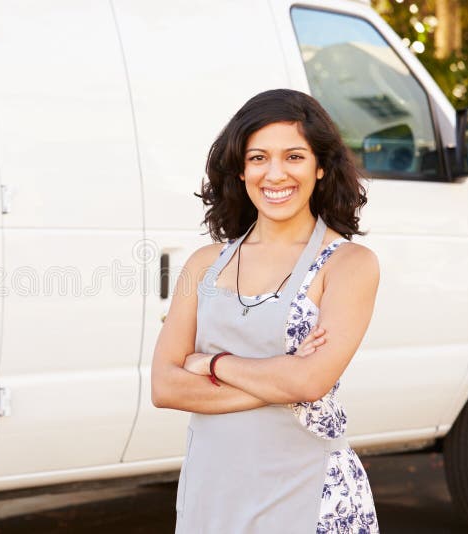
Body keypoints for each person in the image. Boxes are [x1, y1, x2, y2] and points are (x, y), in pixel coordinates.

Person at [151, 88, 380, 533]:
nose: (275, 174)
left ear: (319, 166)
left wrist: (210, 363)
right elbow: (164, 386)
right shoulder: (203, 264)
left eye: (294, 156)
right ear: (240, 170)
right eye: (258, 158)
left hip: (311, 498)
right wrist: (284, 380)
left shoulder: (349, 264)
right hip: (212, 498)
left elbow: (312, 381)